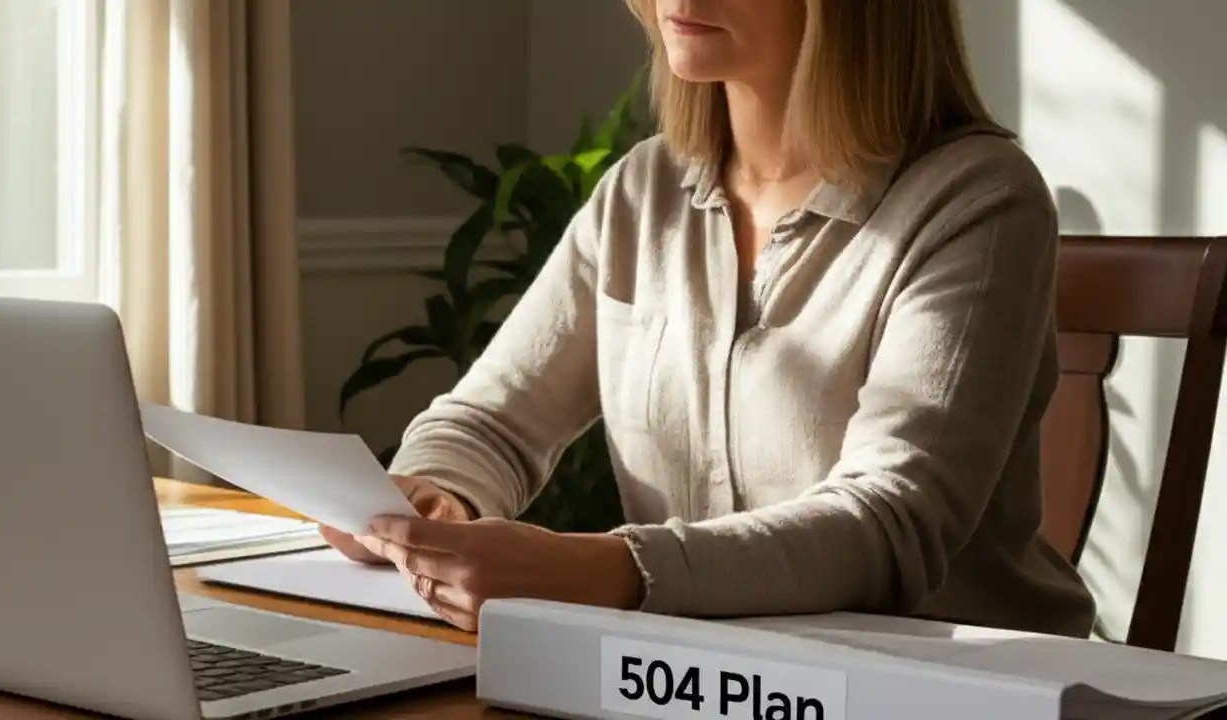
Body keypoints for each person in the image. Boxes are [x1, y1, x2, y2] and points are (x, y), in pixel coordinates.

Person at [321, 0, 1097, 636]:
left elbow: (886, 521)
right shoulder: (642, 191)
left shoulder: (980, 201)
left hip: (959, 687)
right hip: (700, 680)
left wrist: (603, 570)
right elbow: (491, 422)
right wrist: (430, 497)